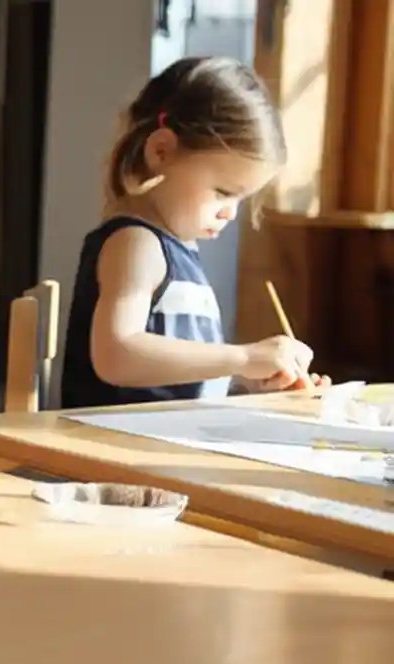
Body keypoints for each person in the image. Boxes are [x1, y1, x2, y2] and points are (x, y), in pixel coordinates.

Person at [61, 56, 329, 410]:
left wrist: (249, 381)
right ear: (161, 152)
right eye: (222, 191)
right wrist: (242, 357)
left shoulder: (179, 252)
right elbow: (116, 354)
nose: (230, 212)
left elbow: (174, 381)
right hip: (115, 448)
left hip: (159, 442)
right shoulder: (136, 244)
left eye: (241, 199)